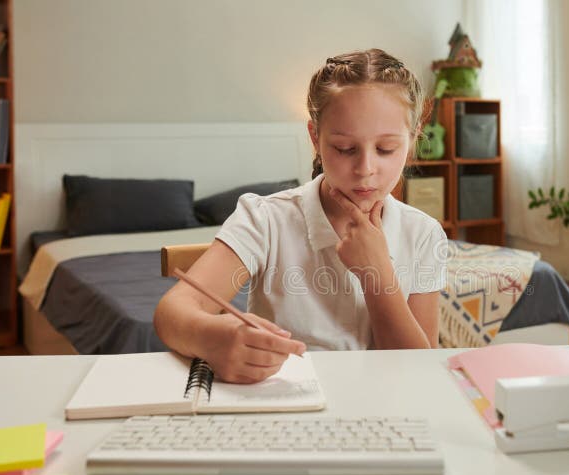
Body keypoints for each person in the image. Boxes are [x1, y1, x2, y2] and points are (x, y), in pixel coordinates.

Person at [154, 49, 447, 384]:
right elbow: (172, 312)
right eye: (345, 149)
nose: (366, 169)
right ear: (315, 139)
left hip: (383, 412)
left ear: (412, 141)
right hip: (285, 412)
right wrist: (212, 337)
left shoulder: (424, 234)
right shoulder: (265, 220)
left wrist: (377, 276)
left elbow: (422, 372)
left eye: (385, 149)